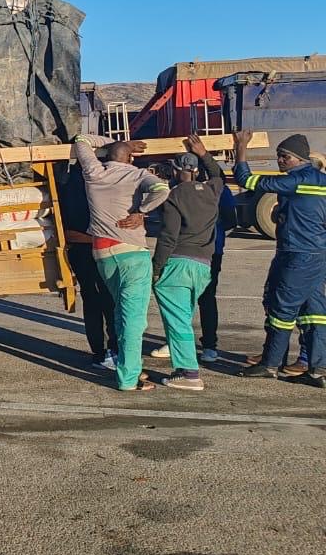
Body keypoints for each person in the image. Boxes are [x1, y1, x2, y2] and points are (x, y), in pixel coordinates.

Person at [73, 135, 172, 391]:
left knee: (119, 311)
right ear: (130, 158)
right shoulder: (138, 175)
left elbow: (81, 139)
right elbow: (162, 190)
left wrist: (123, 144)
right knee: (133, 319)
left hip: (103, 254)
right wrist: (142, 212)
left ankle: (123, 363)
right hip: (131, 252)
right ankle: (129, 377)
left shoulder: (93, 172)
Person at [234, 131, 326, 387]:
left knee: (281, 308)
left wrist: (241, 148)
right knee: (315, 312)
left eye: (284, 157)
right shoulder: (322, 180)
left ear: (298, 158)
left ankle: (271, 364)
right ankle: (318, 370)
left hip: (296, 254)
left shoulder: (295, 181)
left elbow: (247, 180)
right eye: (278, 156)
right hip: (317, 254)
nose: (280, 161)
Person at [146, 136, 226, 391]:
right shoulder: (212, 192)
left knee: (178, 320)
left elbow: (168, 237)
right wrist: (204, 153)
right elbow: (218, 175)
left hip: (179, 263)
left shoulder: (173, 197)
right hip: (203, 264)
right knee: (184, 316)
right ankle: (184, 367)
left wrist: (156, 269)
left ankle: (190, 374)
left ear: (176, 171)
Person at [59, 165, 117, 369]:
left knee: (93, 301)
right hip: (95, 249)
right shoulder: (97, 186)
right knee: (108, 301)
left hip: (82, 251)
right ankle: (110, 350)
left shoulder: (67, 187)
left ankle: (101, 352)